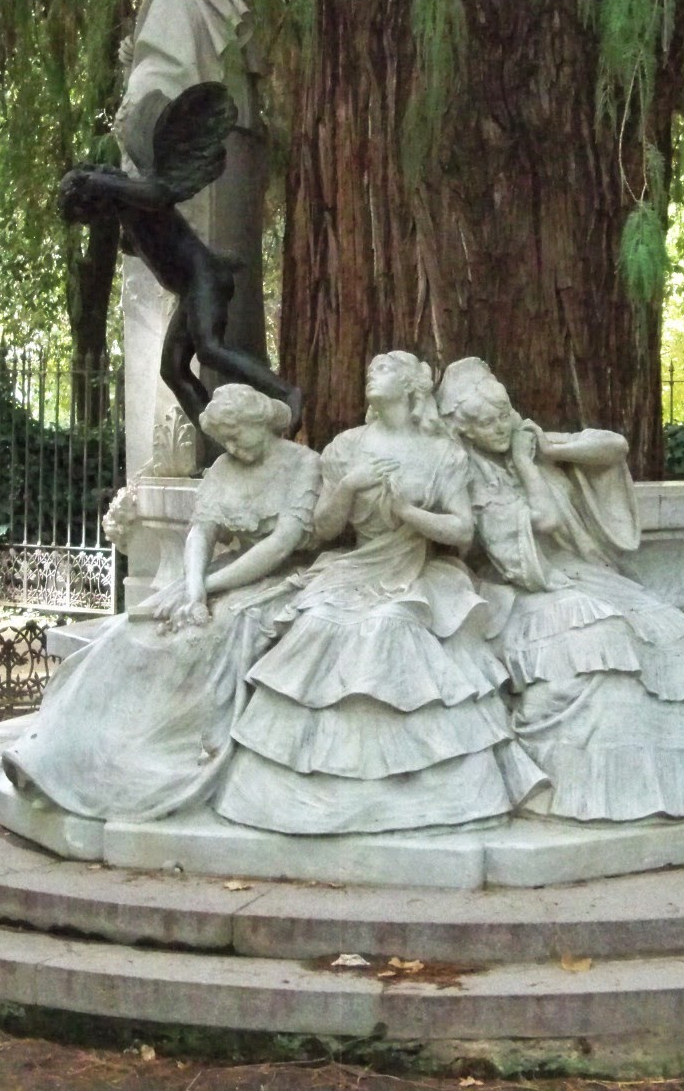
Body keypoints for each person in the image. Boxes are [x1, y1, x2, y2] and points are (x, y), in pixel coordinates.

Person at [436, 357, 684, 822]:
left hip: (582, 577)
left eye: (504, 414)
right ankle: (606, 791)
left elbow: (613, 446)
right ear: (465, 431)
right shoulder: (469, 478)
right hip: (524, 592)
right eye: (487, 422)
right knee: (604, 646)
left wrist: (551, 449)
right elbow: (544, 522)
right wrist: (525, 464)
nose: (501, 427)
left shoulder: (532, 444)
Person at [211, 352, 546, 834]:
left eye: (385, 369)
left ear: (412, 387)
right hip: (355, 567)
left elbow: (461, 531)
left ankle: (404, 792)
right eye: (371, 369)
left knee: (390, 626)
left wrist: (409, 513)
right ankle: (310, 790)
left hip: (414, 570)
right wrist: (348, 486)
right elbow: (325, 529)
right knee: (318, 623)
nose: (372, 372)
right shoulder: (346, 448)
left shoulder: (443, 453)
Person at [1, 384, 319, 821]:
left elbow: (280, 545)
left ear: (260, 423)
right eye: (224, 440)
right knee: (131, 633)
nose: (231, 447)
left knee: (207, 637)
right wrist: (193, 586)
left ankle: (158, 756)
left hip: (277, 577)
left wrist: (208, 588)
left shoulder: (302, 465)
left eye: (236, 436)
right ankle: (71, 751)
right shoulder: (223, 468)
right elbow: (200, 532)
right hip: (216, 575)